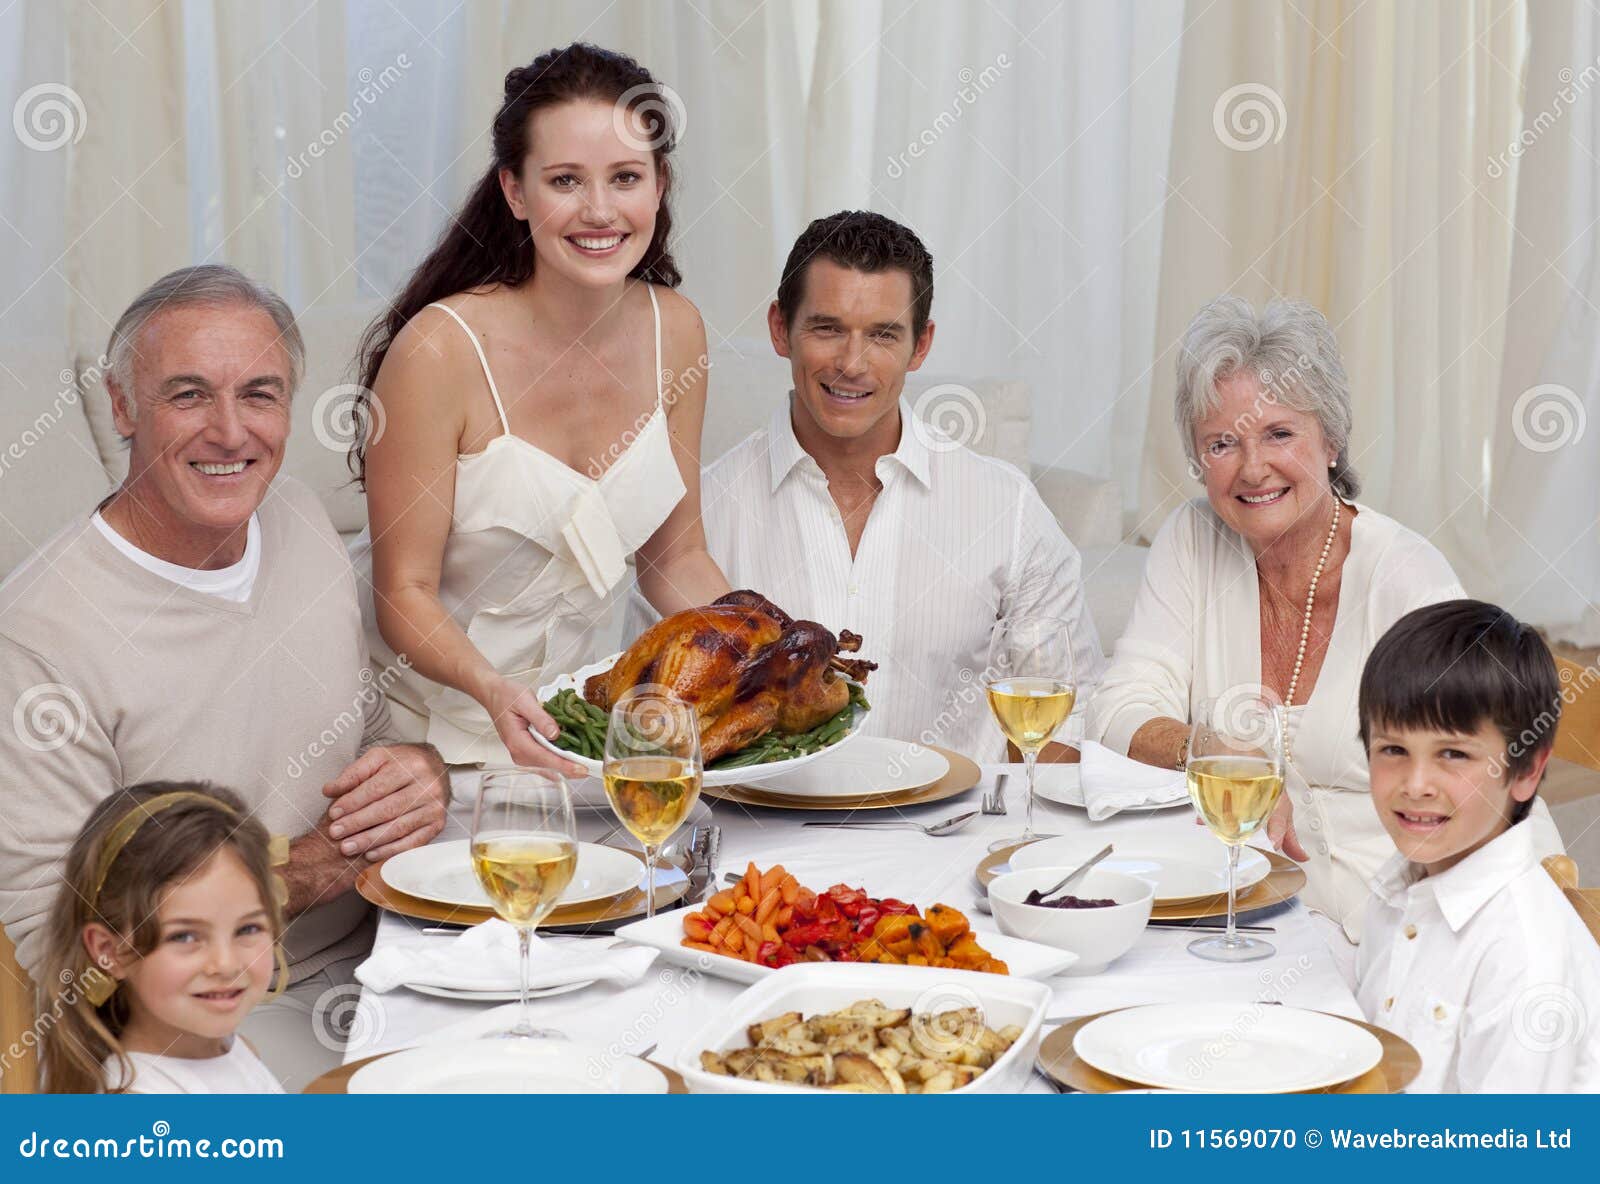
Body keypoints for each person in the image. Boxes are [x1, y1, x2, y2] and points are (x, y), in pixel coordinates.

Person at [0, 265, 448, 1089]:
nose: (230, 431)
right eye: (188, 395)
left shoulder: (300, 519)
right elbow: (64, 944)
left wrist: (421, 776)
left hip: (395, 953)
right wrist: (310, 870)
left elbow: (371, 730)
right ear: (123, 406)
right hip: (205, 1036)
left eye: (261, 394)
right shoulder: (36, 636)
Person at [1084, 295, 1564, 948]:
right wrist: (1216, 752)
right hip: (1249, 915)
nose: (1253, 468)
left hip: (1399, 933)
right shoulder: (1192, 539)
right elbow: (1118, 707)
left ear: (1331, 439)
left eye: (1280, 434)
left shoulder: (1407, 581)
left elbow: (1484, 780)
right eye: (1222, 443)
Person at [349, 42, 728, 771]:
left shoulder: (675, 330)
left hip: (593, 742)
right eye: (564, 181)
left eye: (625, 178)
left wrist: (759, 640)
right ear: (516, 193)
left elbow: (675, 555)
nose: (599, 211)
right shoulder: (438, 352)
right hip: (435, 744)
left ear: (659, 186)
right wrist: (492, 691)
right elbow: (403, 591)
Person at [628, 210, 1103, 762]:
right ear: (780, 329)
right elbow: (643, 718)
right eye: (827, 329)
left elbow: (1070, 712)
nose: (852, 364)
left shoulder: (1006, 507)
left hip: (949, 840)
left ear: (920, 345)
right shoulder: (696, 515)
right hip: (757, 839)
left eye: (882, 335)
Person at [1354, 601, 1600, 1092]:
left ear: (1527, 770)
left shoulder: (1525, 956)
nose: (1417, 783)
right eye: (1393, 750)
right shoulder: (1400, 883)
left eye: (1453, 754)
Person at [39, 784, 287, 1093]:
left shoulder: (236, 1048)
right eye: (185, 936)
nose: (225, 964)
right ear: (109, 951)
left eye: (247, 929)